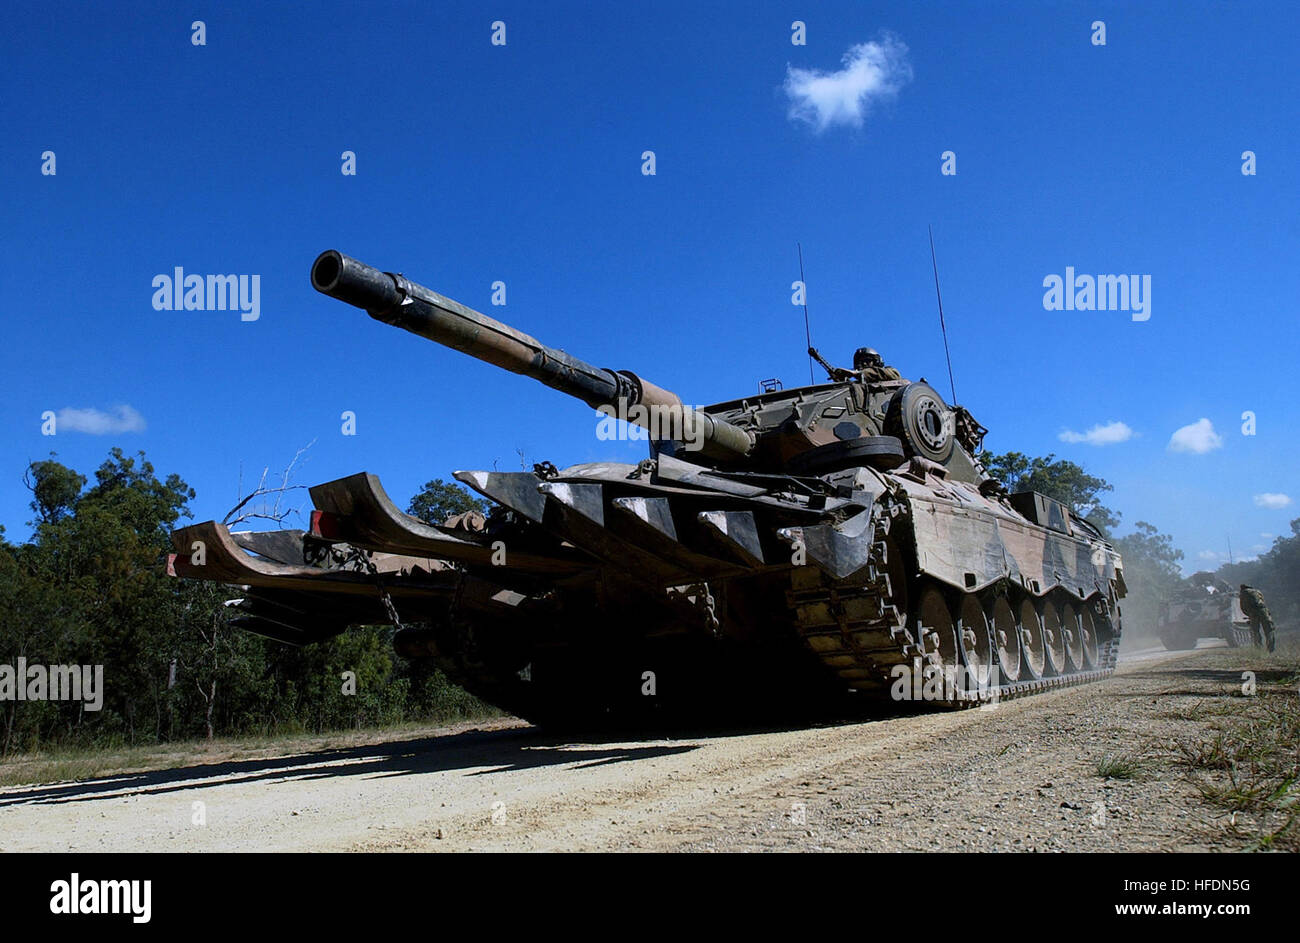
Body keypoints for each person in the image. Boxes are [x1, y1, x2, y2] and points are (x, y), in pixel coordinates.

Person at [1239, 584, 1276, 652]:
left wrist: (1249, 614)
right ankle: (1271, 649)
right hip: (1263, 611)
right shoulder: (1257, 591)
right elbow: (1263, 602)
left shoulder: (1243, 593)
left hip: (1253, 613)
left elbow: (1243, 607)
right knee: (1269, 630)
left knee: (1255, 631)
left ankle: (1258, 649)